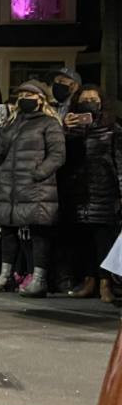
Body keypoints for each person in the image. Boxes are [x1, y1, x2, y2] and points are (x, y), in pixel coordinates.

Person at [0, 81, 66, 297]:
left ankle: (38, 279)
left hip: (36, 188)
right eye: (21, 94)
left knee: (39, 232)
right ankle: (5, 275)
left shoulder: (49, 123)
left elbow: (57, 155)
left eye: (29, 94)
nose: (24, 97)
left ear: (41, 98)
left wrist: (37, 174)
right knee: (8, 229)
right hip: (9, 186)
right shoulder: (12, 123)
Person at [59, 85, 122, 303]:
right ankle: (88, 281)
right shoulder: (70, 130)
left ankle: (106, 283)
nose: (89, 102)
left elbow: (119, 162)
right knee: (83, 240)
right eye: (84, 100)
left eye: (93, 99)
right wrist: (65, 129)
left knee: (104, 240)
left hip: (104, 192)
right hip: (78, 193)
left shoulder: (112, 129)